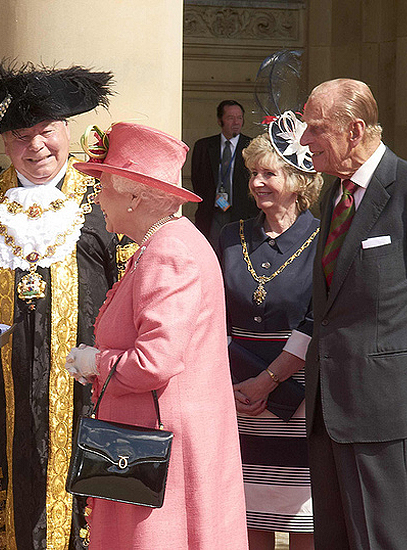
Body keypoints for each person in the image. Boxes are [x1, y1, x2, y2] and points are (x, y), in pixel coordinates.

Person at [0, 62, 132, 550]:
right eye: (21, 136)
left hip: (91, 396)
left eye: (46, 132)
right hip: (5, 402)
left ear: (67, 129)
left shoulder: (104, 199)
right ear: (5, 143)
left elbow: (133, 294)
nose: (36, 147)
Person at [295, 78, 407, 549]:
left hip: (389, 411)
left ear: (353, 131)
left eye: (315, 129)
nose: (304, 140)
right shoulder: (332, 196)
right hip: (329, 410)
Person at [66, 122, 248, 549]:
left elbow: (155, 362)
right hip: (160, 440)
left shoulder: (168, 250)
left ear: (133, 195)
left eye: (101, 184)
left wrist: (97, 362)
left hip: (162, 451)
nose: (95, 197)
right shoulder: (162, 243)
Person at [218, 112, 321, 550]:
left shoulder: (323, 236)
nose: (257, 182)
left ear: (297, 180)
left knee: (304, 524)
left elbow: (316, 322)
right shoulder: (227, 236)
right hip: (237, 398)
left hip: (298, 402)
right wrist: (242, 384)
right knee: (246, 520)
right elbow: (211, 314)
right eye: (252, 174)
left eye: (269, 173)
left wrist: (269, 380)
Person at [191, 99, 255, 244]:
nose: (236, 122)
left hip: (242, 213)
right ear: (220, 121)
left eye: (239, 118)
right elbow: (197, 180)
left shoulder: (252, 146)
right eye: (230, 118)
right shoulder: (204, 147)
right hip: (212, 213)